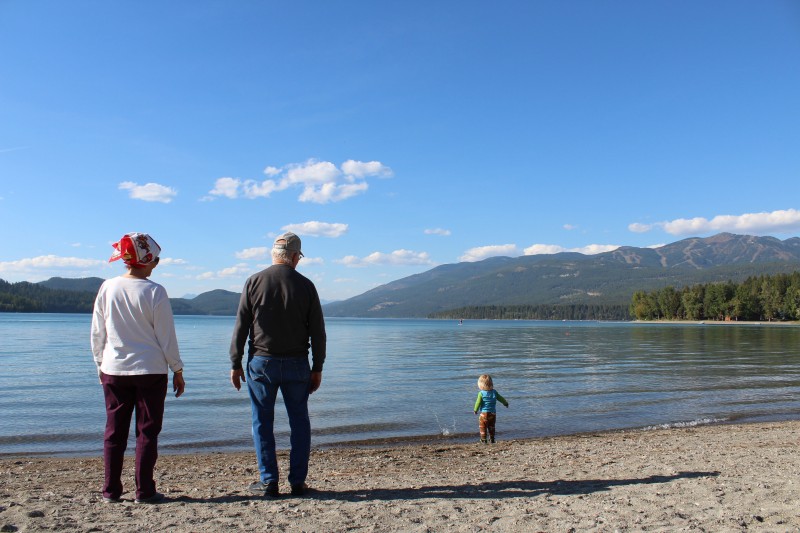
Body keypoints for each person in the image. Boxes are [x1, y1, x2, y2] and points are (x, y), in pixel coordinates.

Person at [90, 232, 185, 504]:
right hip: (151, 371)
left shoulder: (107, 288)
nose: (156, 264)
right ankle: (144, 491)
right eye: (155, 259)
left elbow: (98, 333)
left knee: (114, 432)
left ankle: (110, 491)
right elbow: (166, 336)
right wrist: (177, 369)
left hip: (114, 369)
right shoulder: (155, 291)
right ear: (146, 260)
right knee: (147, 432)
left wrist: (101, 365)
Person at [230, 231, 326, 498]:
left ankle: (269, 482)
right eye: (298, 257)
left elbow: (241, 326)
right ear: (295, 256)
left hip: (262, 363)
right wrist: (317, 366)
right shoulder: (306, 286)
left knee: (261, 421)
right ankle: (297, 482)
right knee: (300, 422)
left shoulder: (254, 281)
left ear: (274, 255)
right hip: (297, 364)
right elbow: (317, 332)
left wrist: (235, 362)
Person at [473, 374, 509, 444]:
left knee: (483, 426)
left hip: (484, 414)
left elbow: (478, 402)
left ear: (481, 386)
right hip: (493, 413)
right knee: (491, 426)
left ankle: (483, 440)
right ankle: (492, 439)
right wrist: (505, 403)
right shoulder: (494, 392)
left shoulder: (481, 393)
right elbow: (501, 398)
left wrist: (475, 409)